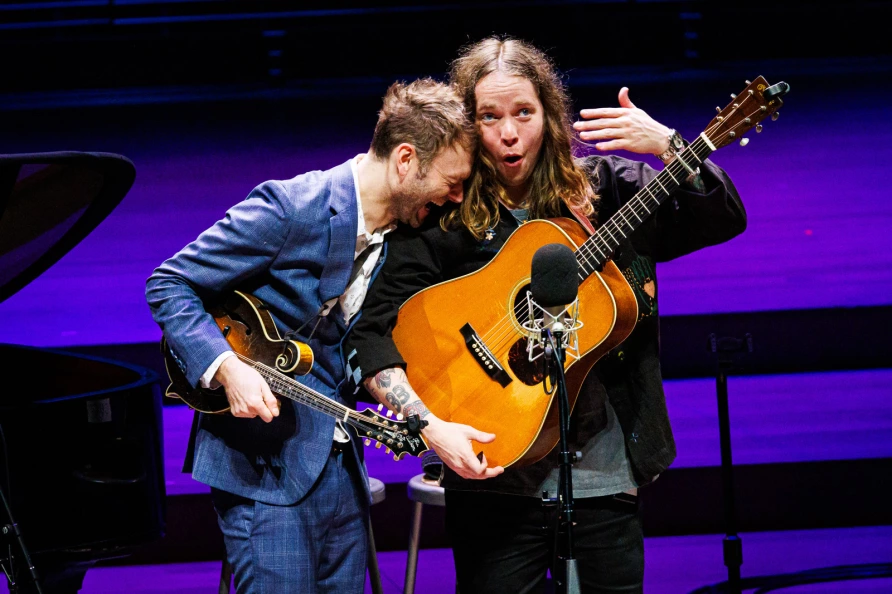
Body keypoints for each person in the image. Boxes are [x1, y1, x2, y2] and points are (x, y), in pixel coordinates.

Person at [345, 36, 746, 593]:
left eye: (524, 113)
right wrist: (430, 425)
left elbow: (722, 216)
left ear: (549, 116)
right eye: (489, 117)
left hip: (604, 475)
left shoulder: (608, 192)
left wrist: (669, 145)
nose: (508, 133)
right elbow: (370, 329)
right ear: (467, 126)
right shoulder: (442, 215)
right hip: (491, 478)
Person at [145, 78, 474, 593]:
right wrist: (226, 368)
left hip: (340, 470)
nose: (456, 197)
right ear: (406, 160)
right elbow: (169, 283)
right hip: (264, 473)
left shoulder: (406, 236)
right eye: (452, 181)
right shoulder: (293, 207)